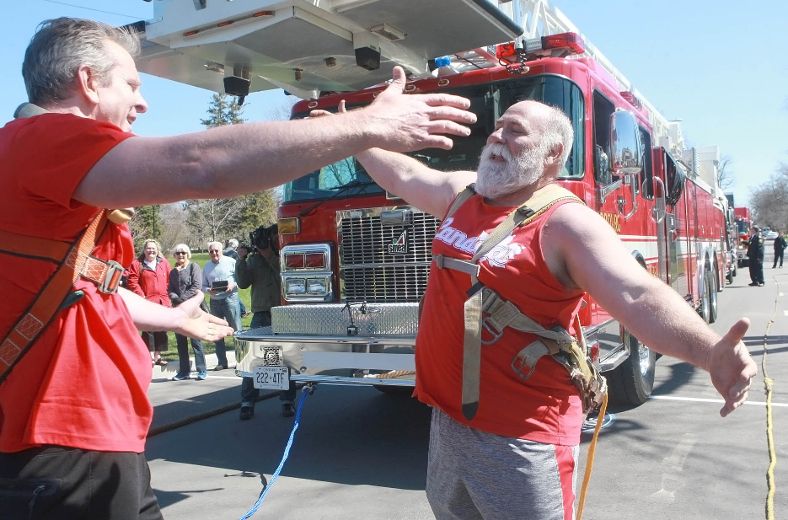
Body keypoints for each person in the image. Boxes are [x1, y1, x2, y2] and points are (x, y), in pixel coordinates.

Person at [0, 18, 475, 519]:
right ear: (88, 82)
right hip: (64, 442)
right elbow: (200, 164)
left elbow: (90, 284)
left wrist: (172, 319)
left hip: (81, 440)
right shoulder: (43, 138)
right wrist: (366, 125)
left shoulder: (39, 162)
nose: (142, 103)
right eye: (131, 85)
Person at [345, 99, 757, 520]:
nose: (496, 136)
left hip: (522, 441)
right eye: (498, 126)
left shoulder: (565, 223)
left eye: (515, 130)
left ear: (552, 154)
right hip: (448, 425)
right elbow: (405, 174)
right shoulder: (462, 195)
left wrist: (708, 351)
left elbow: (637, 294)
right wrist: (351, 133)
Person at [236, 226, 296, 419]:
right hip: (261, 313)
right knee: (252, 358)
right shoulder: (254, 259)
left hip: (282, 312)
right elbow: (243, 283)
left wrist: (269, 254)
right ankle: (247, 401)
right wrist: (241, 259)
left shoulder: (284, 256)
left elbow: (285, 274)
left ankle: (287, 400)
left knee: (285, 358)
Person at [127, 239, 172, 366]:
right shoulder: (137, 264)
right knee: (149, 329)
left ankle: (158, 355)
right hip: (147, 301)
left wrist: (168, 295)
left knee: (162, 329)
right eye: (148, 248)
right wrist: (142, 296)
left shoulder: (164, 263)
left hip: (163, 301)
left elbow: (170, 280)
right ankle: (150, 356)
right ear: (144, 250)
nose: (151, 251)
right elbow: (132, 281)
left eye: (153, 248)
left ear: (157, 250)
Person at [168, 244, 208, 381]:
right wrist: (174, 297)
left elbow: (196, 286)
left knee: (195, 341)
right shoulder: (173, 271)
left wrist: (182, 298)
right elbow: (171, 288)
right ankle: (184, 371)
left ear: (188, 254)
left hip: (192, 308)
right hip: (178, 309)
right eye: (178, 253)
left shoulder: (194, 267)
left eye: (183, 253)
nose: (181, 255)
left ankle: (202, 370)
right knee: (181, 342)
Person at [202, 241, 241, 370]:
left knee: (237, 330)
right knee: (217, 333)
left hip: (230, 299)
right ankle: (221, 362)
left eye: (216, 251)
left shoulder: (231, 262)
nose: (214, 253)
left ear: (221, 250)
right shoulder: (207, 266)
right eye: (211, 251)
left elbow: (240, 278)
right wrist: (208, 290)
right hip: (215, 301)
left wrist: (232, 285)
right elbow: (203, 285)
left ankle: (240, 361)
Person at [223, 238, 248, 316]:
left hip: (223, 274)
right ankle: (242, 310)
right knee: (233, 293)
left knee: (230, 293)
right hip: (232, 274)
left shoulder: (223, 252)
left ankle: (242, 310)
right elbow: (238, 264)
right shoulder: (234, 253)